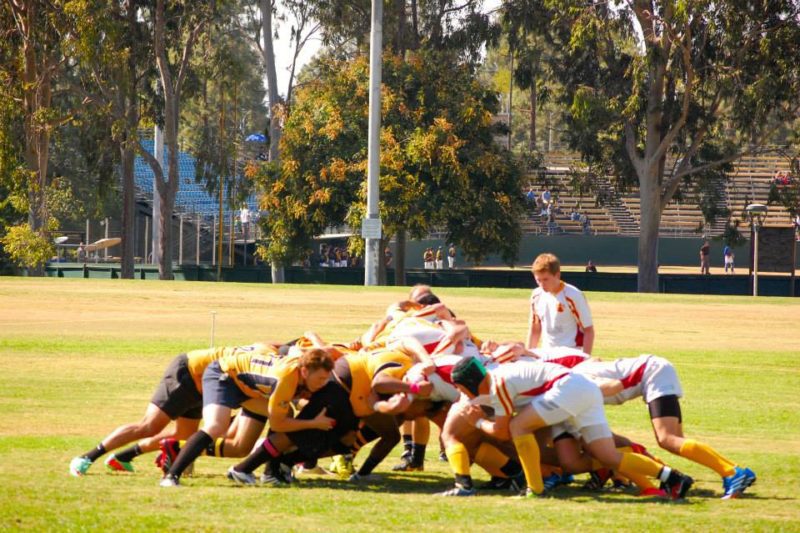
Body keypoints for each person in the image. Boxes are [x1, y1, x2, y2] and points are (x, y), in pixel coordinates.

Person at [450, 357, 694, 499]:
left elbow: (503, 432)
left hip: (568, 388)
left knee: (518, 426)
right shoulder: (496, 379)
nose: (461, 393)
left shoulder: (496, 384)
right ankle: (673, 477)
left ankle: (534, 489)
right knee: (607, 455)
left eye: (461, 388)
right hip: (584, 390)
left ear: (471, 382)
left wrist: (478, 422)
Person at [68, 342, 279, 477]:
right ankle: (86, 457)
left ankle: (123, 457)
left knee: (183, 436)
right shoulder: (274, 362)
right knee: (149, 426)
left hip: (209, 386)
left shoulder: (272, 353)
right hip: (188, 373)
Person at [571, 354, 757, 499]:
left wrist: (631, 378)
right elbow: (596, 360)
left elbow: (609, 386)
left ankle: (732, 472)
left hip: (653, 373)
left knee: (668, 439)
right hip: (656, 369)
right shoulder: (573, 373)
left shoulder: (575, 382)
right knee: (676, 440)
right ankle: (730, 471)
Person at [159, 348, 335, 487]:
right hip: (223, 375)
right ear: (304, 372)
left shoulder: (301, 366)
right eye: (320, 378)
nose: (323, 383)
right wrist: (313, 423)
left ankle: (270, 474)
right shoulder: (286, 378)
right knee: (216, 426)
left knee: (283, 415)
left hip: (246, 386)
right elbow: (278, 425)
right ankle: (171, 476)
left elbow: (295, 351)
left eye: (326, 379)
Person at [526, 253, 595, 354]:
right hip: (547, 355)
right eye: (538, 280)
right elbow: (535, 329)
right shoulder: (536, 295)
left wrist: (585, 358)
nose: (542, 284)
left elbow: (588, 330)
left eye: (545, 279)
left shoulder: (573, 295)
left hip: (571, 354)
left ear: (557, 275)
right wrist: (528, 357)